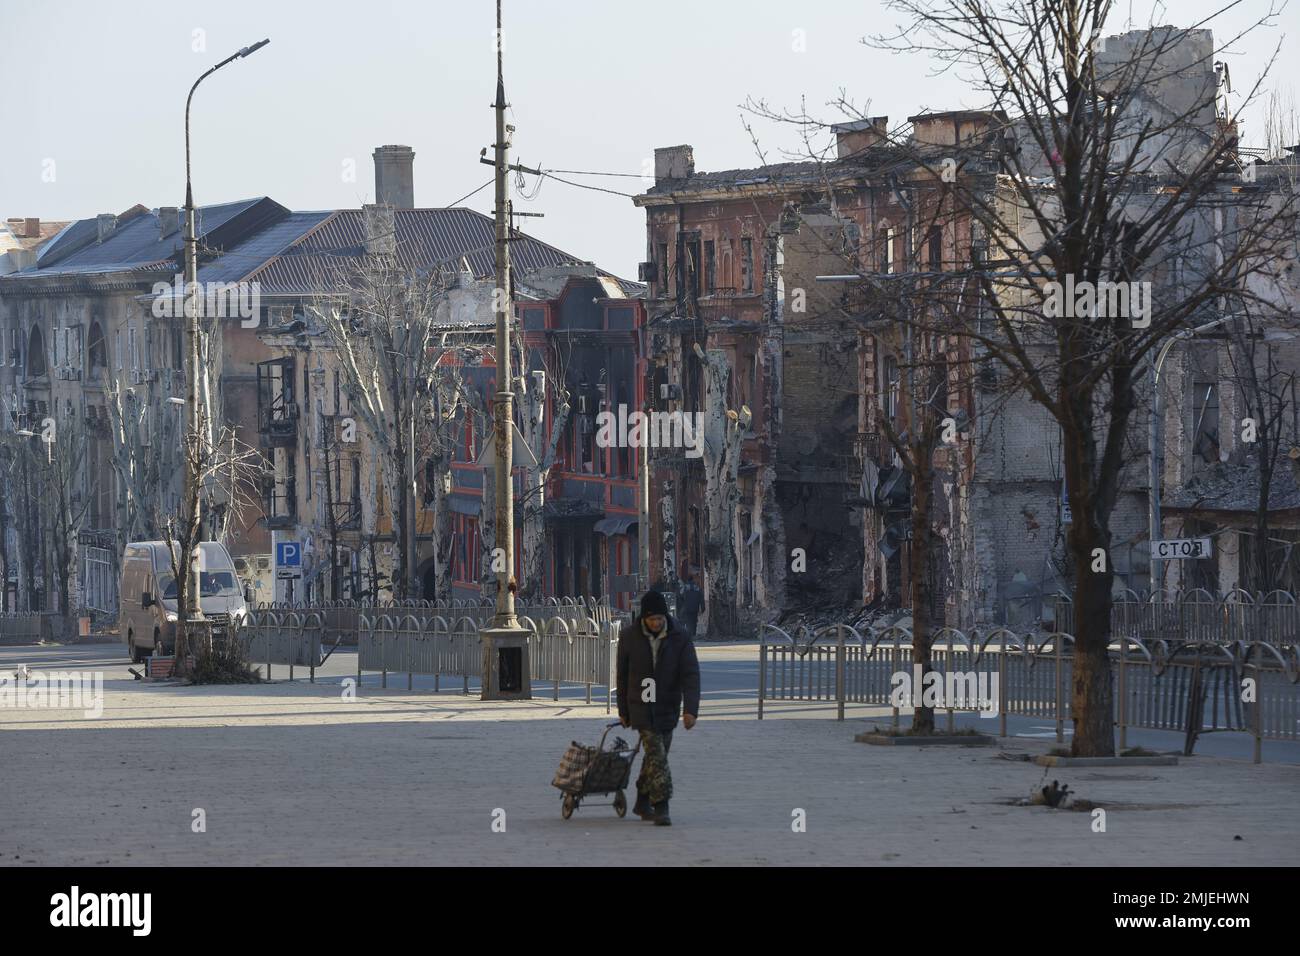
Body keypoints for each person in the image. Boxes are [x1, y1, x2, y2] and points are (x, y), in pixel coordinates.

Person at [616, 589, 700, 826]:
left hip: (667, 706)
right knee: (657, 755)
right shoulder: (630, 636)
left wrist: (690, 710)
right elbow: (621, 676)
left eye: (660, 619)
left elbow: (690, 675)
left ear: (666, 617)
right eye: (652, 619)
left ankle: (642, 799)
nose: (656, 623)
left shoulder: (679, 637)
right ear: (644, 618)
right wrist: (623, 710)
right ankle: (661, 805)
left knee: (655, 756)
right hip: (640, 707)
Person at [676, 565, 704, 640]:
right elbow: (701, 598)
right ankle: (693, 634)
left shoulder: (685, 587)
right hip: (695, 608)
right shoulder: (697, 588)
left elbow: (680, 596)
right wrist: (702, 608)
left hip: (687, 607)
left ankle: (689, 635)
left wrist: (682, 604)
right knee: (694, 621)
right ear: (693, 580)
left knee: (688, 621)